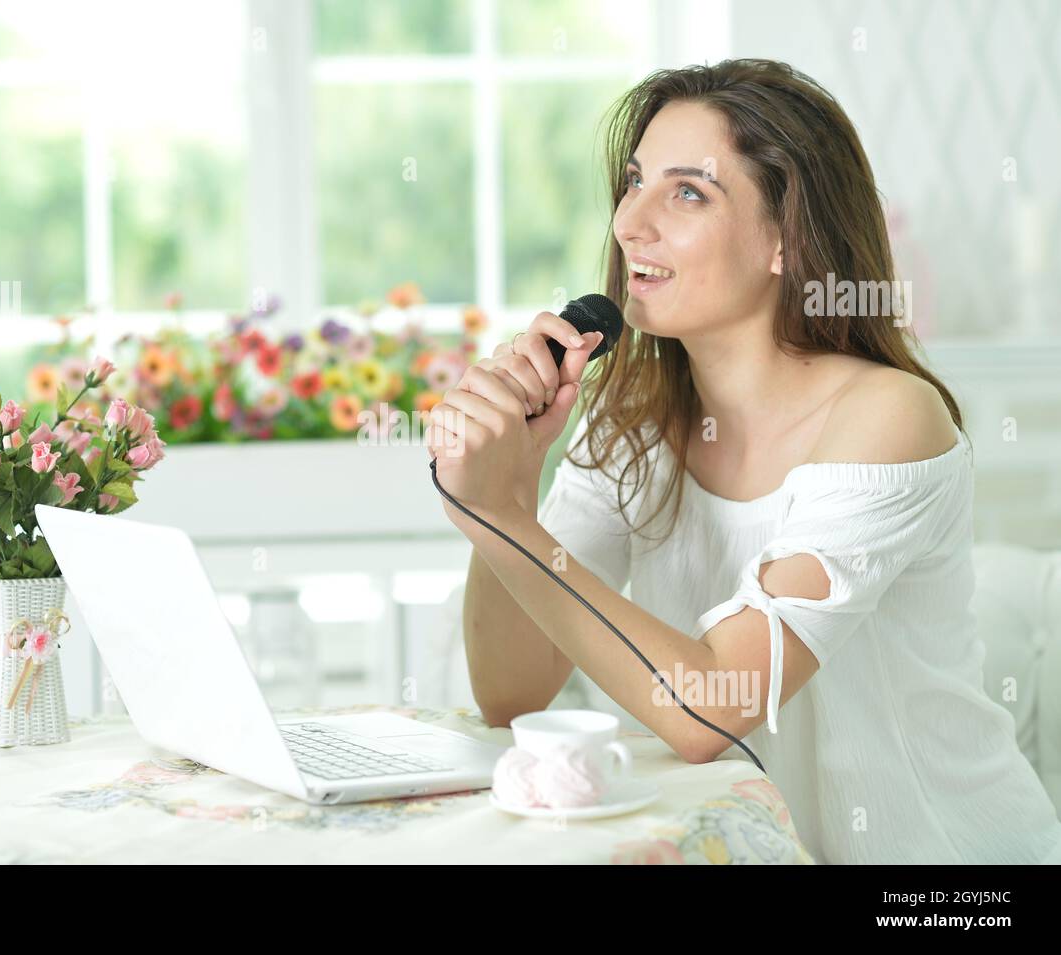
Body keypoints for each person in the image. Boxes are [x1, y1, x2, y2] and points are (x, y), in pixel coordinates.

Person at [425, 58, 1061, 865]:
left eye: (687, 191)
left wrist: (512, 519)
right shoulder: (632, 422)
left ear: (784, 239)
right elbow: (512, 692)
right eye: (634, 181)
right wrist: (501, 494)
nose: (628, 223)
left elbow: (711, 709)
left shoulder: (888, 418)